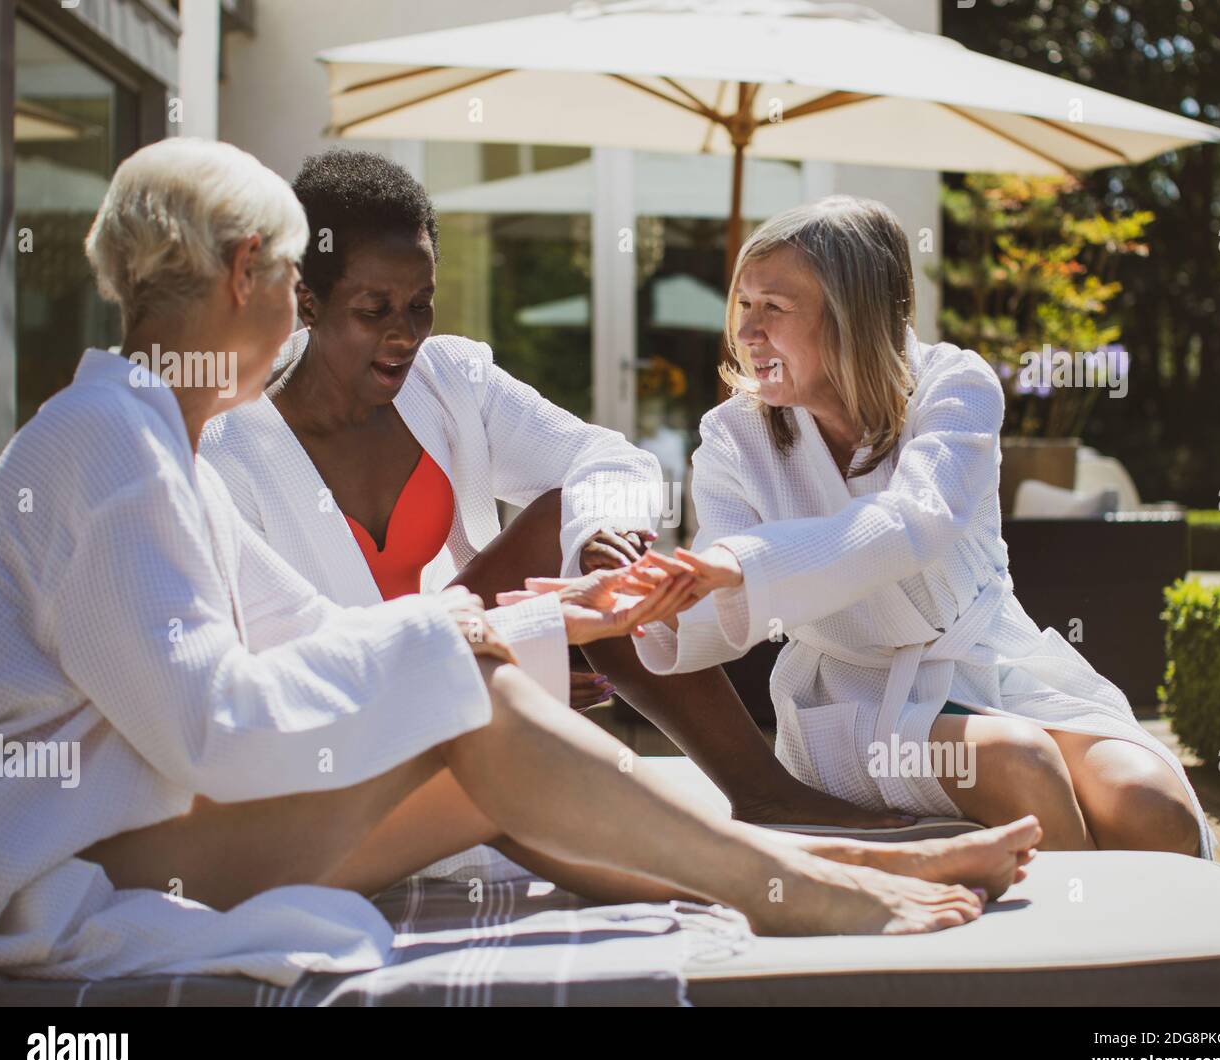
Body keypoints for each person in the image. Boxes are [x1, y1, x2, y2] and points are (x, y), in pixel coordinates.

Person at [0, 141, 1039, 985]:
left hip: (139, 835)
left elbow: (308, 632)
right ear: (250, 270)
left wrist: (557, 617)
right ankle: (803, 883)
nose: (296, 314)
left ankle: (822, 866)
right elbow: (213, 728)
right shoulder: (111, 446)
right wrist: (459, 644)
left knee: (473, 702)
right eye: (303, 283)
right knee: (466, 695)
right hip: (75, 867)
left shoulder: (157, 442)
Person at [201, 148, 919, 832]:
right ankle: (761, 804)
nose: (404, 335)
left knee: (589, 528)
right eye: (373, 309)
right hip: (353, 729)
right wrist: (516, 645)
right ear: (307, 300)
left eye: (419, 304)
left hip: (474, 680)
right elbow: (288, 659)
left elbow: (612, 460)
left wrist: (579, 570)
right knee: (571, 554)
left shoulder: (450, 382)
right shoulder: (231, 450)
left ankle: (762, 791)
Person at [618, 195, 1211, 858]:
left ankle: (1164, 955)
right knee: (1022, 764)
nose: (749, 334)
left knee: (1152, 807)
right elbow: (724, 616)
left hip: (996, 665)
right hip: (852, 703)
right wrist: (653, 604)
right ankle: (1071, 957)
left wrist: (739, 564)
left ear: (853, 316)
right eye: (744, 306)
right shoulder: (734, 437)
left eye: (775, 309)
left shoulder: (953, 386)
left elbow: (916, 521)